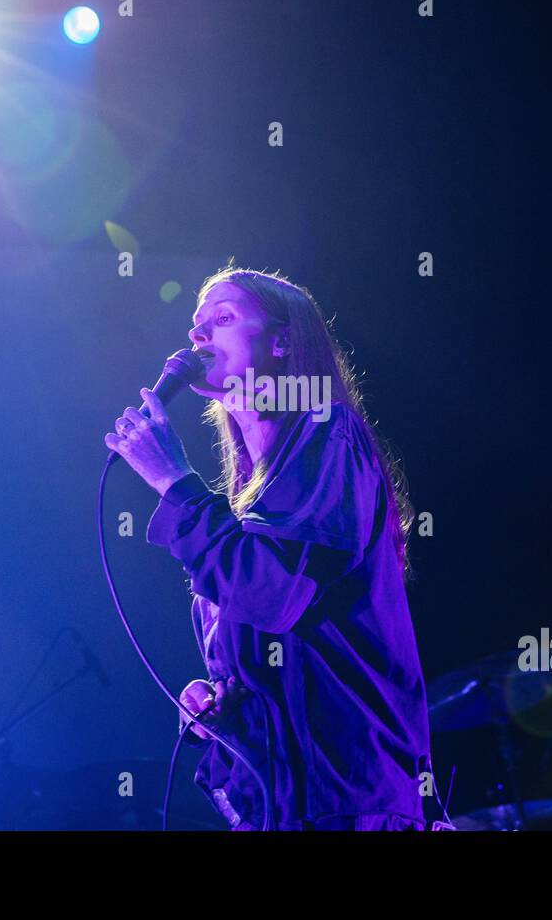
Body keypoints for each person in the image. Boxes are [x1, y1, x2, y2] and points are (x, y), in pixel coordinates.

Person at [103, 264, 432, 831]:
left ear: (281, 340)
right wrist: (222, 699)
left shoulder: (330, 432)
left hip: (344, 799)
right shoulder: (246, 500)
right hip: (280, 803)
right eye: (196, 324)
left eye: (223, 317)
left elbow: (276, 594)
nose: (198, 336)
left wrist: (174, 482)